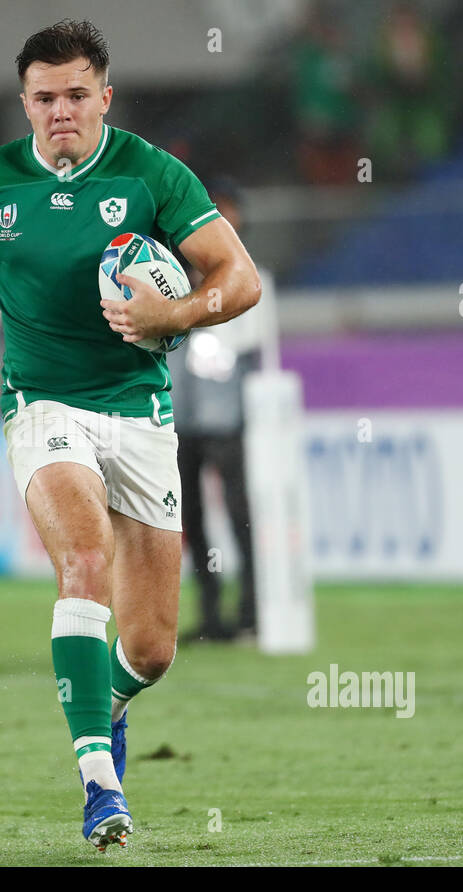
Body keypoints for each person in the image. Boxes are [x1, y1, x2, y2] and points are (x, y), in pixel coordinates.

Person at [0, 19, 260, 849]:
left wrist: (170, 314)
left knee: (151, 650)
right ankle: (101, 789)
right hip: (43, 404)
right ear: (24, 103)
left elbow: (238, 277)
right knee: (82, 559)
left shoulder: (152, 174)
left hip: (139, 410)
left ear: (105, 96)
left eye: (77, 95)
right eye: (44, 98)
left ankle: (105, 705)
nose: (61, 110)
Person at [168, 178, 267, 642]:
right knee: (191, 521)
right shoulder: (170, 278)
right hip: (182, 418)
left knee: (238, 514)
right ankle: (210, 615)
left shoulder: (251, 280)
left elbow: (248, 351)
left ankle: (250, 613)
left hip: (227, 419)